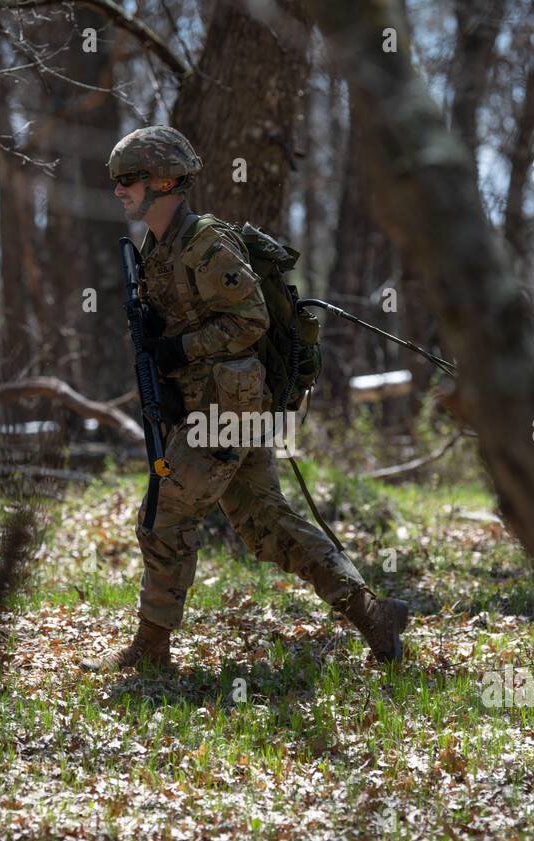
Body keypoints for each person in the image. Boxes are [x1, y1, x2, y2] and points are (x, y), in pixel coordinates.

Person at [80, 125, 409, 672]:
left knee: (164, 516)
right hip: (220, 404)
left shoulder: (205, 243)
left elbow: (250, 321)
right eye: (116, 182)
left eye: (128, 181)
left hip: (230, 409)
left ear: (164, 182)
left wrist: (178, 349)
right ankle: (375, 616)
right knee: (266, 526)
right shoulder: (156, 248)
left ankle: (152, 650)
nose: (119, 191)